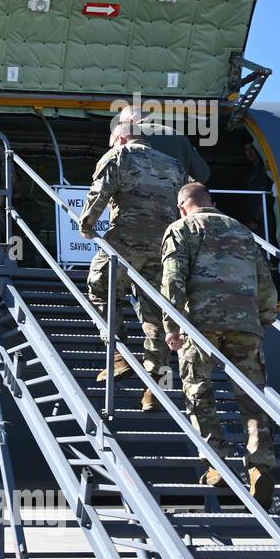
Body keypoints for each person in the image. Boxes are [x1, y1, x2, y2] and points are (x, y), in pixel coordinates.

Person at [161, 182, 279, 509]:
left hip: (201, 325)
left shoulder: (181, 228)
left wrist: (171, 326)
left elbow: (172, 280)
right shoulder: (242, 231)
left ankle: (217, 461)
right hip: (245, 323)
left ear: (182, 206)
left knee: (198, 387)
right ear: (211, 201)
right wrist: (263, 319)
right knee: (252, 396)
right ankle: (260, 464)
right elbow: (266, 283)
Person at [79, 121, 186, 410]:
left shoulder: (119, 155)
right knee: (155, 314)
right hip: (164, 246)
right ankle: (155, 387)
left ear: (122, 138)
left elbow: (100, 191)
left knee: (100, 289)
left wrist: (87, 225)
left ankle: (118, 354)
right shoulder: (174, 165)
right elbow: (183, 206)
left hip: (126, 241)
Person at [116, 105, 211, 182]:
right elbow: (203, 174)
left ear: (130, 120)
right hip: (173, 201)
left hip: (134, 201)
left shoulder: (125, 135)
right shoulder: (180, 137)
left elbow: (113, 170)